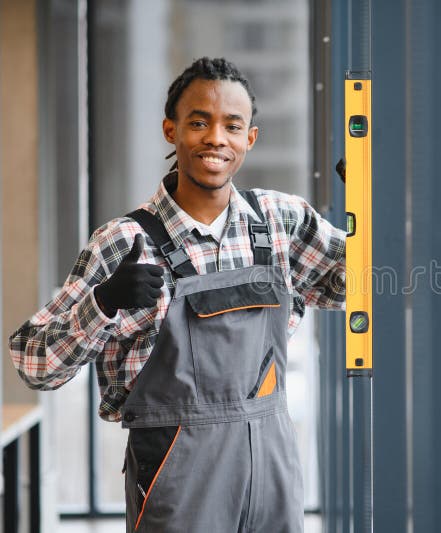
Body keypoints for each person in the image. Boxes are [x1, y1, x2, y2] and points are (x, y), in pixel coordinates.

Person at [8, 57, 345, 532]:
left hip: (272, 464)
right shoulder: (124, 242)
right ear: (171, 130)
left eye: (232, 125)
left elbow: (357, 287)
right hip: (177, 473)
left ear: (250, 139)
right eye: (198, 122)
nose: (215, 138)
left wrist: (372, 208)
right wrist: (102, 302)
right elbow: (33, 364)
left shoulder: (280, 221)